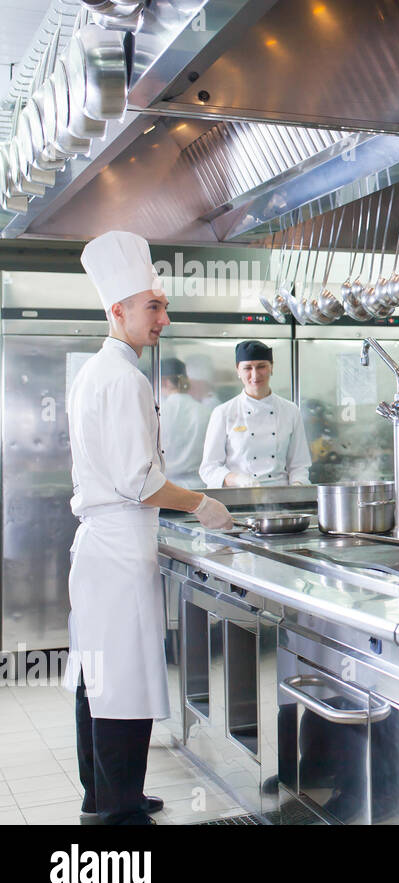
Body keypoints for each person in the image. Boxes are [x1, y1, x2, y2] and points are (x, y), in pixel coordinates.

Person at [66, 230, 234, 826]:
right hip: (115, 549)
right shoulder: (124, 379)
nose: (164, 316)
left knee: (101, 678)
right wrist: (200, 504)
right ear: (119, 310)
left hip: (103, 547)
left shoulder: (99, 371)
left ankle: (108, 796)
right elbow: (139, 482)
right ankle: (116, 813)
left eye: (162, 305)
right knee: (120, 683)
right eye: (153, 306)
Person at [199, 340, 312, 487]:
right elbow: (209, 469)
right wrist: (237, 479)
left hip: (282, 496)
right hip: (238, 497)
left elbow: (299, 465)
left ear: (271, 367)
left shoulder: (290, 411)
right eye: (247, 368)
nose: (255, 374)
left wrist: (298, 485)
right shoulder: (223, 413)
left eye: (261, 366)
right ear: (238, 371)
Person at [159, 357, 210, 489]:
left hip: (167, 488)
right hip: (200, 487)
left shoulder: (158, 412)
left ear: (165, 382)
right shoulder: (205, 411)